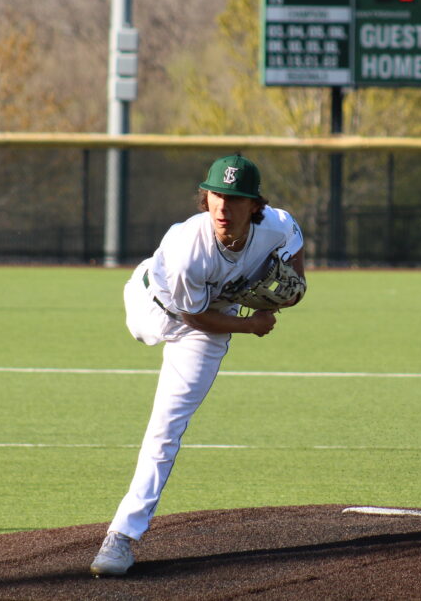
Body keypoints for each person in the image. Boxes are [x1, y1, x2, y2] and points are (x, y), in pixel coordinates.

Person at [90, 153, 306, 577]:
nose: (224, 208)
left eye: (236, 199)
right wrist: (251, 324)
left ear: (255, 206)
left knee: (165, 429)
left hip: (203, 331)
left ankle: (121, 537)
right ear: (205, 199)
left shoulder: (275, 225)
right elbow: (195, 315)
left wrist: (296, 289)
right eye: (216, 196)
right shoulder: (188, 245)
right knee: (148, 327)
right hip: (154, 304)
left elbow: (294, 245)